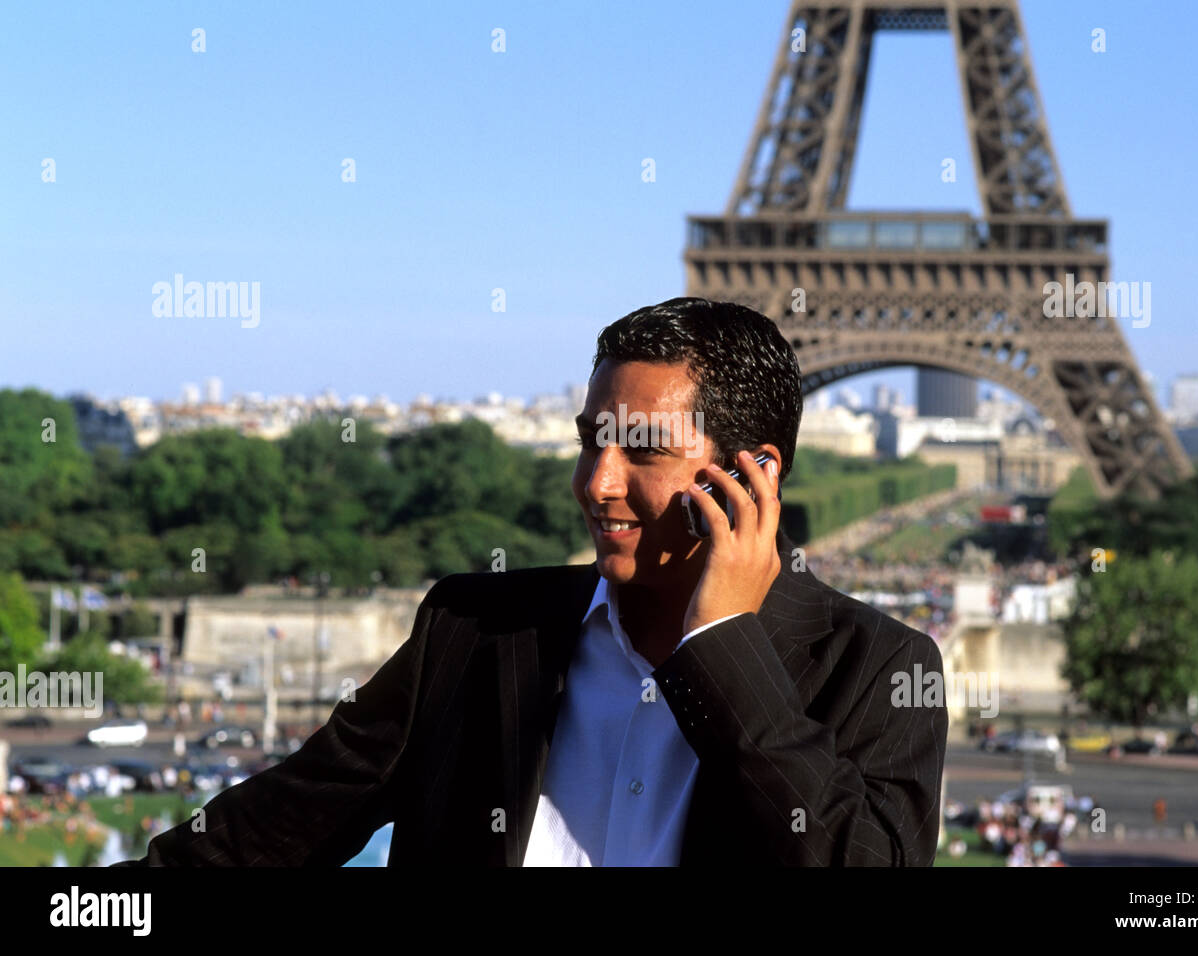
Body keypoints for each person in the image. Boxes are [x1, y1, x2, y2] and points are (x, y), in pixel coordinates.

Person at [115, 297, 948, 867]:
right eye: (592, 440)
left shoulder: (877, 668)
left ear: (754, 472)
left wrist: (726, 649)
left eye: (642, 451)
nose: (596, 482)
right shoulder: (470, 633)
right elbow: (256, 839)